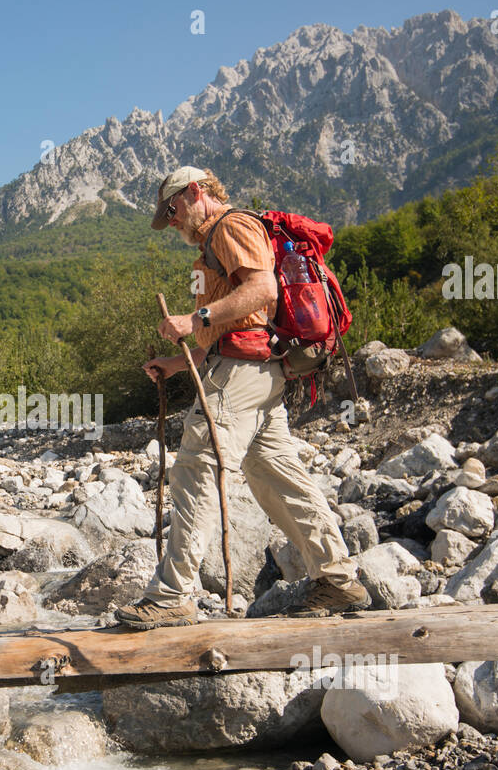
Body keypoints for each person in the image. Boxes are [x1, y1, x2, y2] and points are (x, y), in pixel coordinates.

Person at [113, 166, 370, 629]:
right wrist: (176, 362)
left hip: (244, 371)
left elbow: (262, 289)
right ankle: (338, 579)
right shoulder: (205, 256)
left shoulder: (232, 226)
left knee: (196, 465)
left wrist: (196, 317)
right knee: (275, 474)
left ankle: (173, 594)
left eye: (171, 210)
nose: (170, 222)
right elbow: (217, 330)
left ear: (196, 193)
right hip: (252, 371)